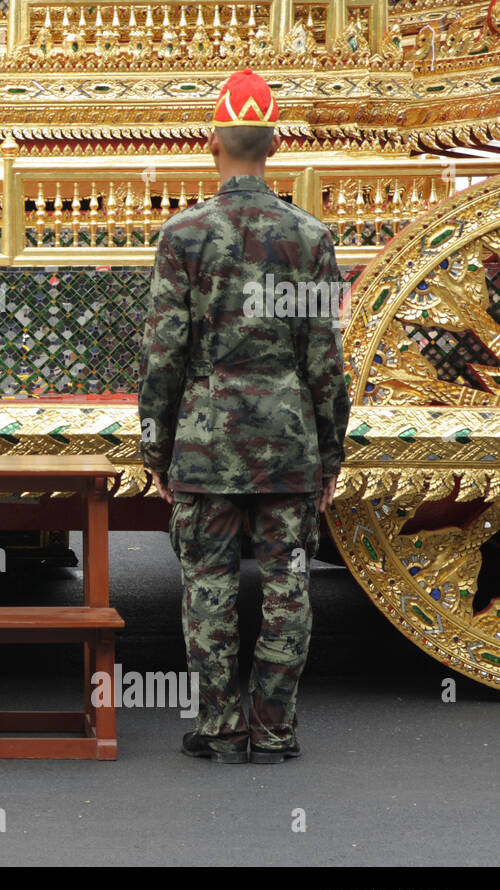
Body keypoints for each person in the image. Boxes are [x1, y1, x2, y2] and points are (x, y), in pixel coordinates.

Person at [138, 69, 351, 766]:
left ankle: (222, 726)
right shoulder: (311, 238)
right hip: (288, 451)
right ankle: (276, 728)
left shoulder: (184, 235)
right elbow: (324, 359)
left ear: (211, 145)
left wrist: (155, 447)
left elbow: (164, 353)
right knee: (289, 582)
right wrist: (330, 455)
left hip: (205, 445)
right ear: (276, 143)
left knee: (209, 585)